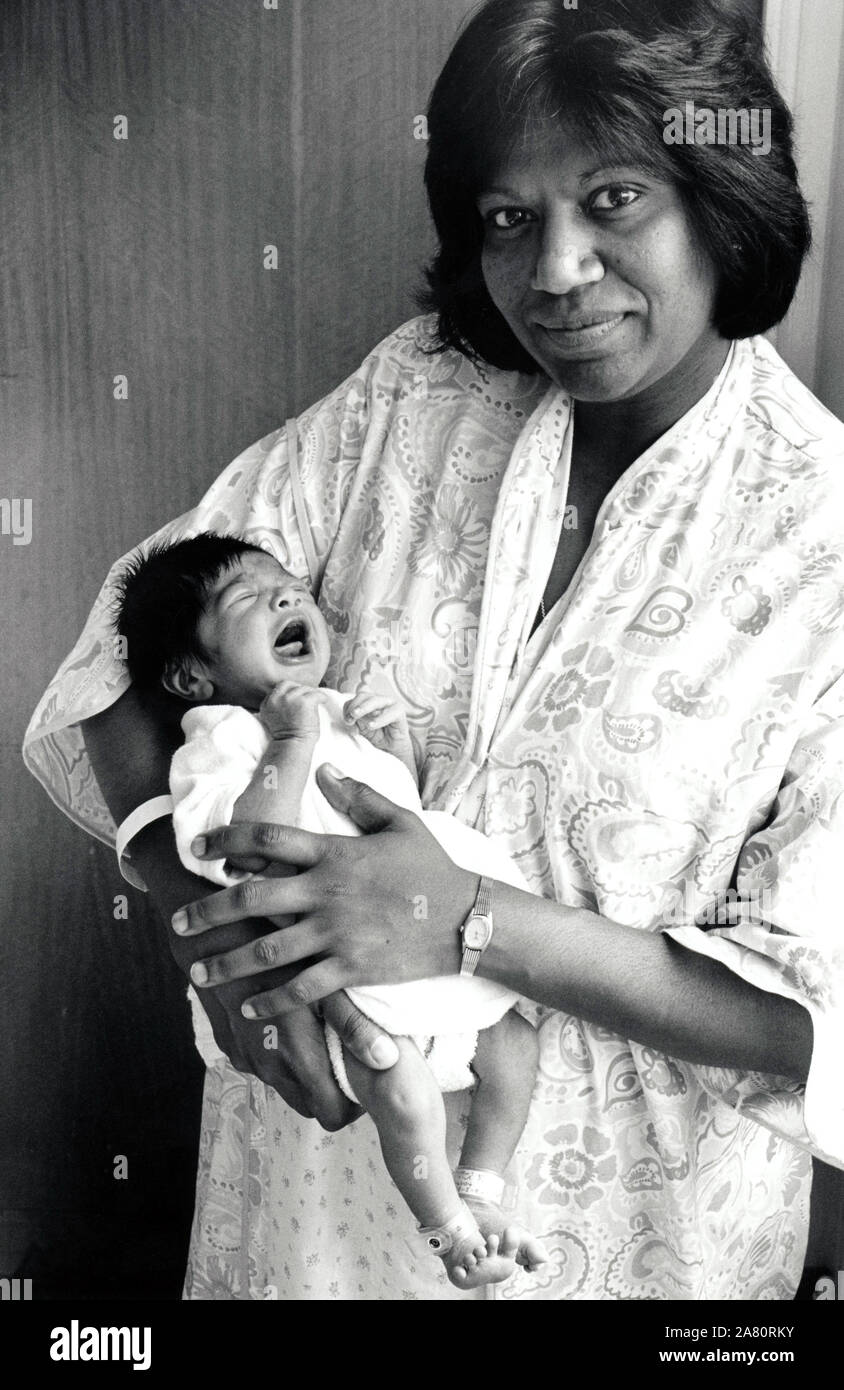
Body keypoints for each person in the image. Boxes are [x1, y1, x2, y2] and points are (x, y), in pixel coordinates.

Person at [24, 0, 844, 1301]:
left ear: (719, 195)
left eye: (614, 197)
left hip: (621, 1260)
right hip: (303, 1236)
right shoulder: (413, 399)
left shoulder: (822, 538)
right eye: (509, 217)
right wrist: (207, 922)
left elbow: (819, 1019)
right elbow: (131, 639)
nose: (558, 269)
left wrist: (467, 921)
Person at [114, 531, 547, 1289]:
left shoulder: (334, 712)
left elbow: (388, 813)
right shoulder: (218, 742)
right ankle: (448, 1230)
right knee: (393, 1077)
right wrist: (288, 740)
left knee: (512, 1039)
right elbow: (247, 847)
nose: (287, 595)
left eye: (290, 585)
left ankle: (483, 1185)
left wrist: (390, 747)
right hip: (329, 958)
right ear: (190, 674)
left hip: (417, 937)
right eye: (247, 596)